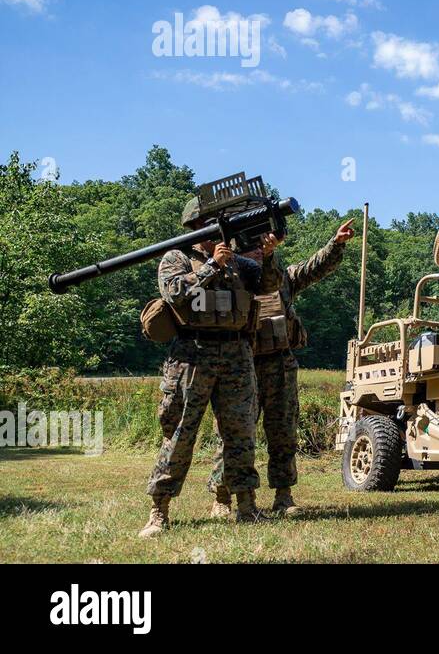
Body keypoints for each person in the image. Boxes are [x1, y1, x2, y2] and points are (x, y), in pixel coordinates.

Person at [140, 197, 281, 538]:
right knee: (179, 434)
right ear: (195, 227)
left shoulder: (237, 261)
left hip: (236, 353)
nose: (218, 229)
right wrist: (211, 267)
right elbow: (175, 294)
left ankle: (246, 507)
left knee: (241, 433)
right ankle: (159, 511)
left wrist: (269, 253)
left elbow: (268, 284)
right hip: (192, 353)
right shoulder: (176, 258)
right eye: (210, 223)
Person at [208, 219, 355, 519]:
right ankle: (222, 497)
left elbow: (314, 267)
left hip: (280, 365)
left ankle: (284, 496)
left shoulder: (283, 280)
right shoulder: (230, 281)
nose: (259, 254)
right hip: (242, 363)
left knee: (283, 432)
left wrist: (336, 244)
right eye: (253, 251)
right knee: (234, 434)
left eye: (263, 251)